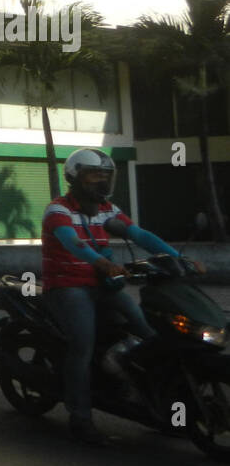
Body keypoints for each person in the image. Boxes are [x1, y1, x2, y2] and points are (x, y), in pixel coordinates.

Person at [41, 148, 200, 446]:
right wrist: (101, 262)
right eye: (93, 175)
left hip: (106, 283)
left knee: (149, 330)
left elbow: (140, 235)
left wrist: (180, 258)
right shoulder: (58, 210)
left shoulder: (107, 210)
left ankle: (155, 403)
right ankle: (80, 417)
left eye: (105, 175)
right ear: (75, 178)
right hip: (68, 286)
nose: (100, 181)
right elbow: (73, 243)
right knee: (82, 345)